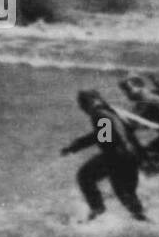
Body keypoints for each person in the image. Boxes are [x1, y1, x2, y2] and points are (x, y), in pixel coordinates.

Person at [60, 90, 148, 222]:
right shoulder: (111, 112)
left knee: (84, 176)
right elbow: (111, 134)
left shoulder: (99, 114)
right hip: (131, 156)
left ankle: (97, 211)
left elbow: (104, 137)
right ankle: (145, 221)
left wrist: (75, 146)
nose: (81, 108)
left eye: (82, 104)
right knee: (127, 196)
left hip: (117, 157)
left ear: (90, 101)